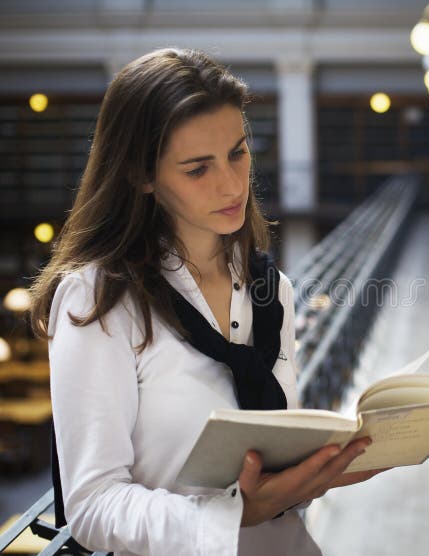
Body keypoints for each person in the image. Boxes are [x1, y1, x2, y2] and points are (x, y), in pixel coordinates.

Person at [29, 47, 383, 555]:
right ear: (142, 175)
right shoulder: (99, 301)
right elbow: (91, 505)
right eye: (198, 169)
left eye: (238, 152)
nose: (232, 183)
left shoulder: (269, 288)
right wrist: (234, 515)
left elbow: (274, 453)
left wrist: (315, 473)